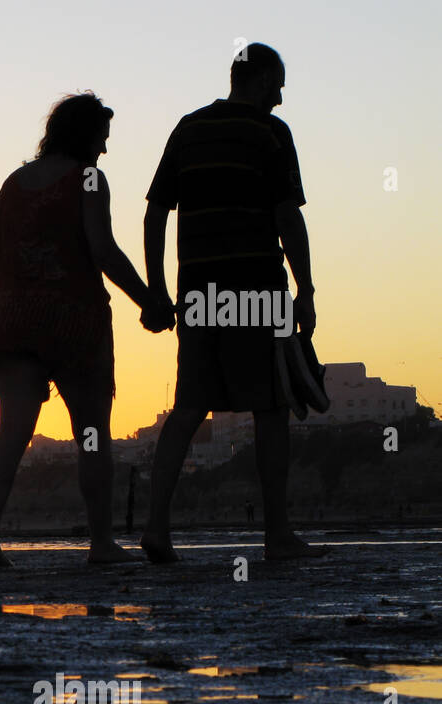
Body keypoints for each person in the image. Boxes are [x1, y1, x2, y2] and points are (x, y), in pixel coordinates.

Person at [141, 43, 322, 562]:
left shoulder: (188, 128)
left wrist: (158, 287)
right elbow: (288, 217)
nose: (282, 97)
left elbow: (156, 212)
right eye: (279, 84)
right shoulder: (271, 133)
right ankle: (277, 536)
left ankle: (155, 528)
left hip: (198, 290)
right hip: (256, 285)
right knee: (270, 406)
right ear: (262, 79)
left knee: (189, 407)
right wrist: (305, 290)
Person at [0, 93, 154, 567]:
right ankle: (101, 544)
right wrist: (149, 298)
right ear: (86, 135)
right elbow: (103, 250)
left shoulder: (14, 182)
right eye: (103, 139)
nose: (105, 151)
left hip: (11, 321)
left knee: (11, 430)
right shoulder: (88, 179)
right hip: (72, 319)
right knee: (91, 431)